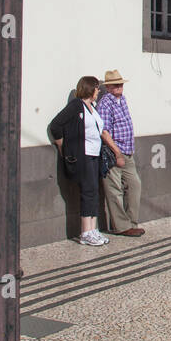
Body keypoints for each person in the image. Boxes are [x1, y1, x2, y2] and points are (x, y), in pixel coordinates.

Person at [50, 76, 125, 247]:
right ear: (89, 89)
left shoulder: (93, 108)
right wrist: (63, 147)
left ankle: (92, 229)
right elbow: (56, 125)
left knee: (93, 191)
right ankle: (85, 232)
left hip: (94, 155)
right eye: (97, 88)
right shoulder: (77, 105)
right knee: (87, 192)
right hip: (82, 156)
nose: (98, 91)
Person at [97, 69, 145, 237]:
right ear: (108, 87)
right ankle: (121, 226)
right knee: (114, 188)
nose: (120, 87)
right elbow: (104, 131)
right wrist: (116, 152)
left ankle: (131, 222)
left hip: (127, 150)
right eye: (116, 85)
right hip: (114, 152)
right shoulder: (105, 103)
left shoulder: (122, 100)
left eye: (121, 84)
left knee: (134, 184)